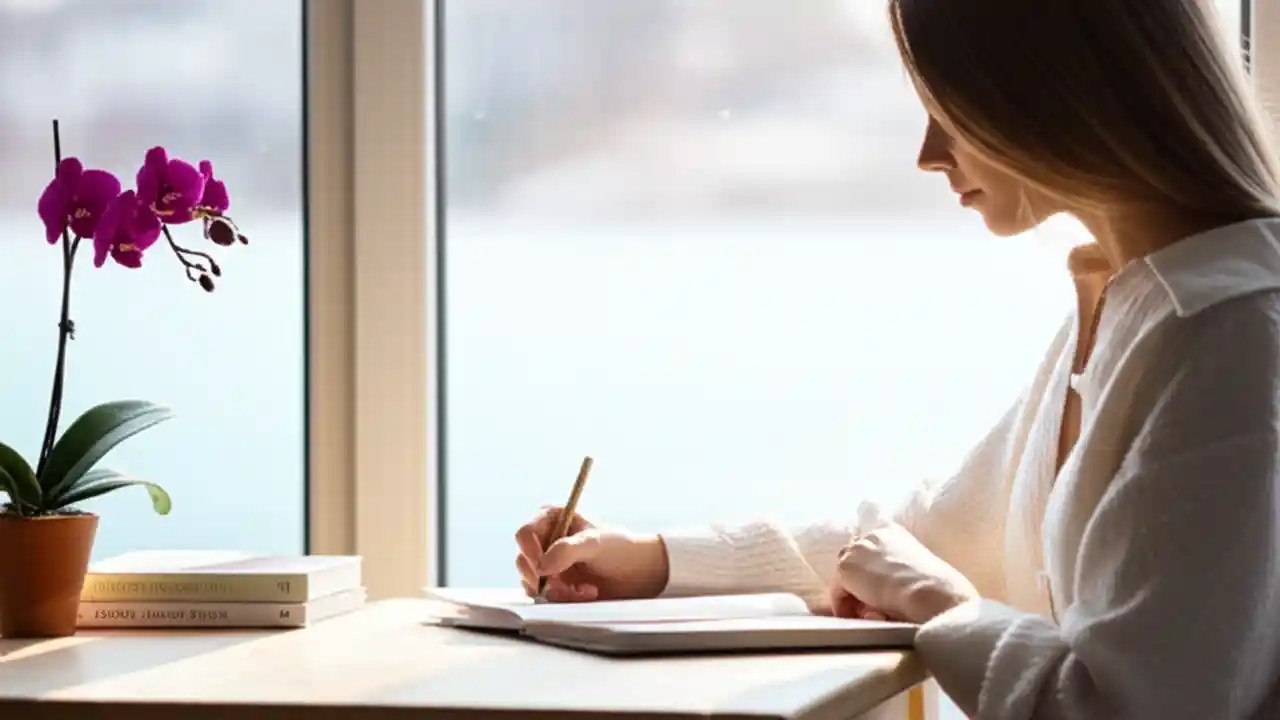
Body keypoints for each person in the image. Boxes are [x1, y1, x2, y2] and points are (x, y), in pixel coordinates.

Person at [514, 1, 1280, 717]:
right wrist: (650, 560)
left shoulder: (1226, 334)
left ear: (1054, 91)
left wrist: (939, 604)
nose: (928, 155)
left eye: (952, 109)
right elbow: (920, 540)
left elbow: (1123, 706)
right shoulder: (1133, 302)